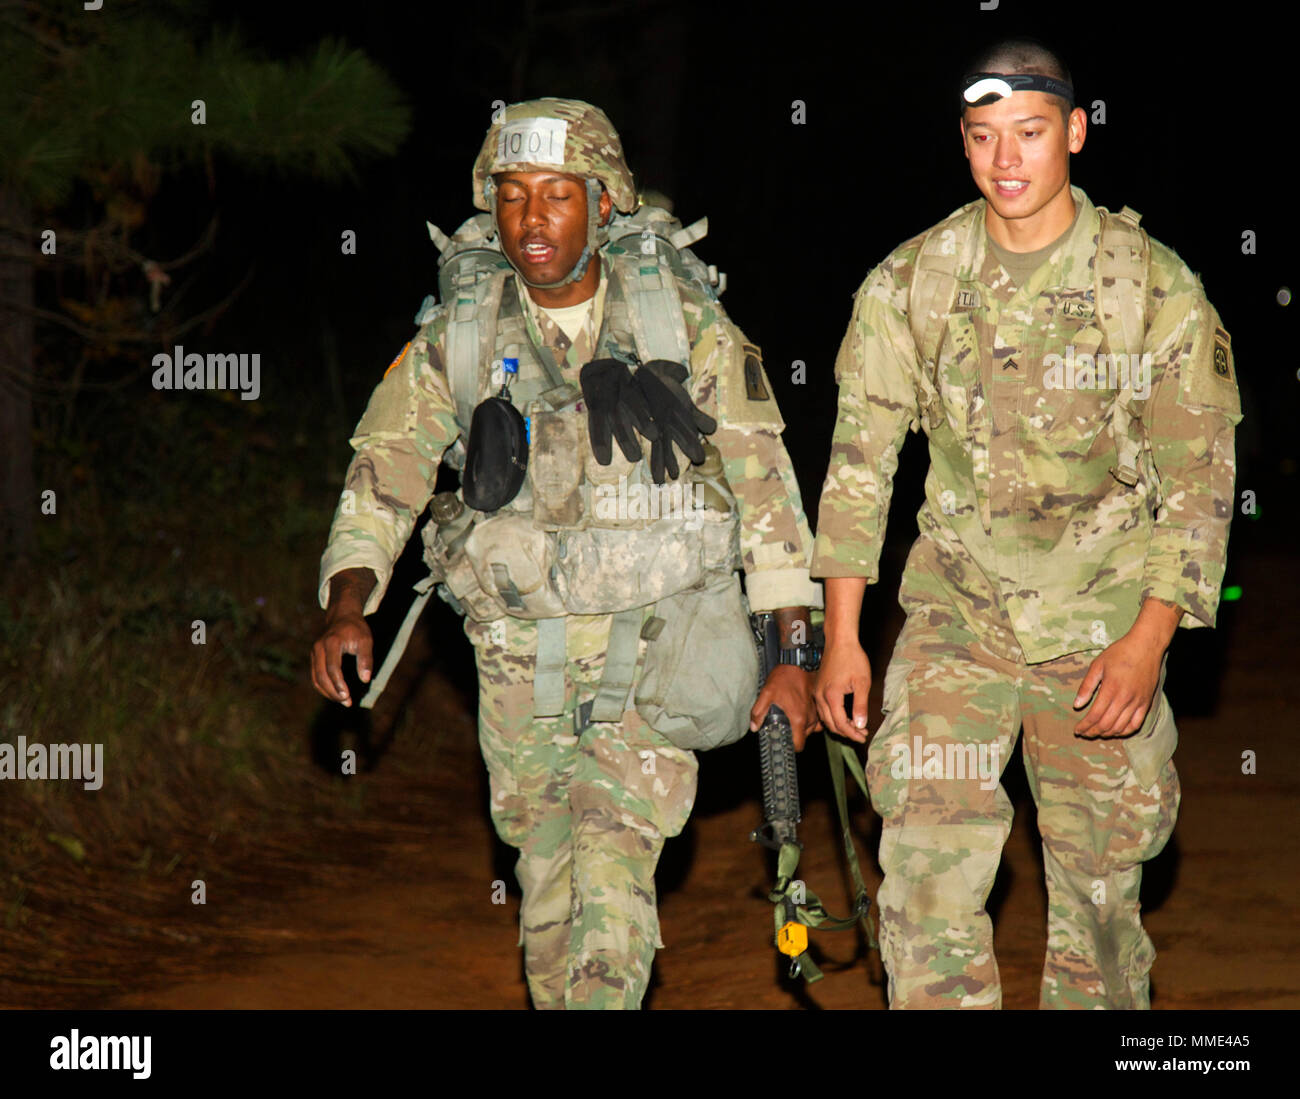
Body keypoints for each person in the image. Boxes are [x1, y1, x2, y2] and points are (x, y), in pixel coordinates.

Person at [309, 98, 823, 1009]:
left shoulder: (680, 323)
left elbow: (765, 480)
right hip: (515, 669)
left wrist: (793, 658)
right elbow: (384, 470)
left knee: (613, 898)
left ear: (603, 201)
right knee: (549, 918)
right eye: (511, 195)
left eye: (555, 194)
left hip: (656, 651)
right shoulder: (461, 334)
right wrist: (349, 603)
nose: (531, 218)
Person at [809, 40, 1242, 1009]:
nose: (1006, 160)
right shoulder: (910, 282)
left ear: (1075, 133)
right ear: (961, 146)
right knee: (922, 870)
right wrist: (841, 639)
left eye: (1030, 133)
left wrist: (1146, 639)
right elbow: (857, 469)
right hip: (956, 615)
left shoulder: (1152, 287)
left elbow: (1197, 480)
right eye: (982, 138)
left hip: (1100, 626)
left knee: (1095, 901)